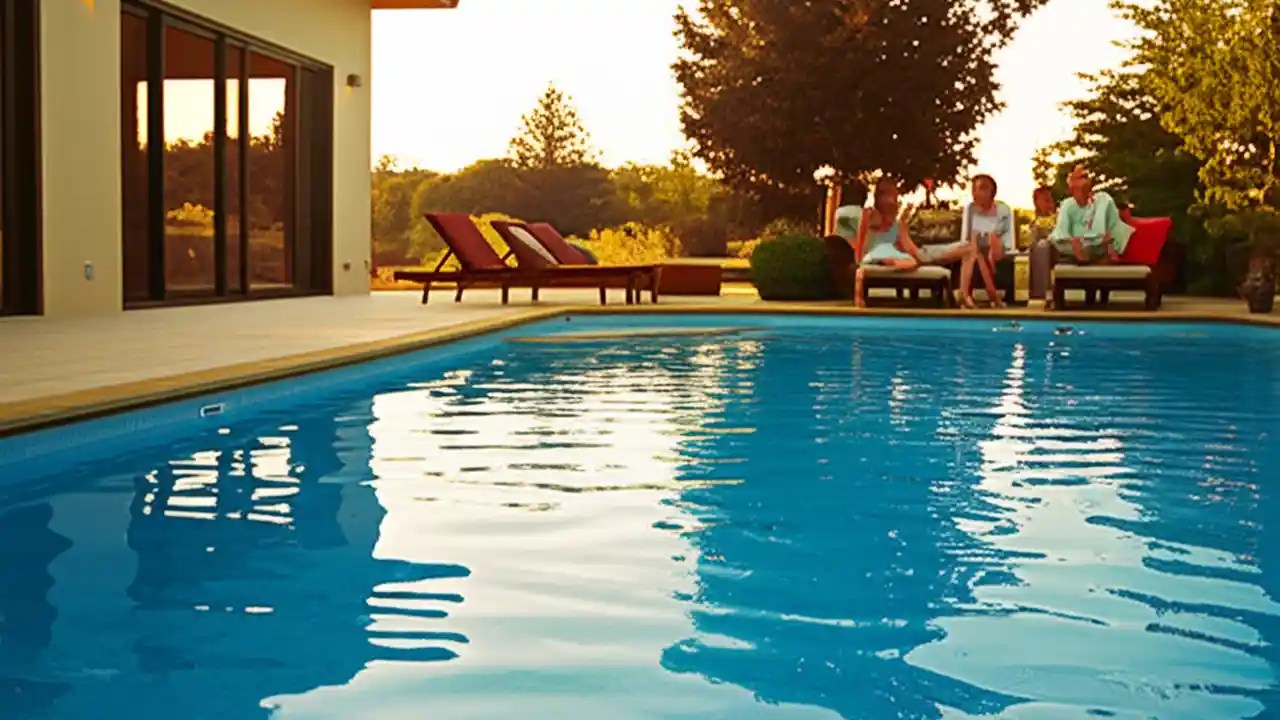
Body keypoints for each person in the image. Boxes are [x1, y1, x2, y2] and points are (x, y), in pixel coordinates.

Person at [853, 177, 927, 308]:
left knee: (912, 262)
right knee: (863, 271)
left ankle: (888, 263)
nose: (894, 201)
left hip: (890, 254)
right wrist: (858, 261)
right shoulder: (869, 215)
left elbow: (907, 246)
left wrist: (922, 255)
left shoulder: (897, 223)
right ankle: (861, 291)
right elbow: (861, 238)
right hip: (877, 252)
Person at [1049, 165, 1134, 264]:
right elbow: (1061, 233)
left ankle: (1087, 253)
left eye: (1086, 176)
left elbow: (1112, 229)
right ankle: (1083, 253)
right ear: (1071, 183)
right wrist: (1073, 242)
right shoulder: (1067, 205)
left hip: (1100, 246)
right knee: (1055, 241)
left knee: (1100, 244)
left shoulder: (1103, 199)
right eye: (1082, 177)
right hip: (1074, 248)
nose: (1086, 180)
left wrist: (1107, 242)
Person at [955, 174, 1015, 309]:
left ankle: (964, 295)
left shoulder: (1003, 209)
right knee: (973, 253)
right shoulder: (970, 209)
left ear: (991, 192)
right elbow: (968, 237)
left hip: (999, 248)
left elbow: (999, 239)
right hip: (975, 250)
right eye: (974, 189)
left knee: (982, 249)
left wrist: (985, 249)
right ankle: (992, 296)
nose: (976, 193)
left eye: (981, 189)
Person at [1027, 186, 1058, 303]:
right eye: (1045, 201)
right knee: (1038, 248)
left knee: (1042, 246)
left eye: (1051, 200)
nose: (1049, 204)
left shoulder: (1059, 218)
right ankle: (1037, 292)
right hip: (1039, 250)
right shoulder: (1034, 222)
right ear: (1036, 203)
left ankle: (1044, 292)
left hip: (1056, 248)